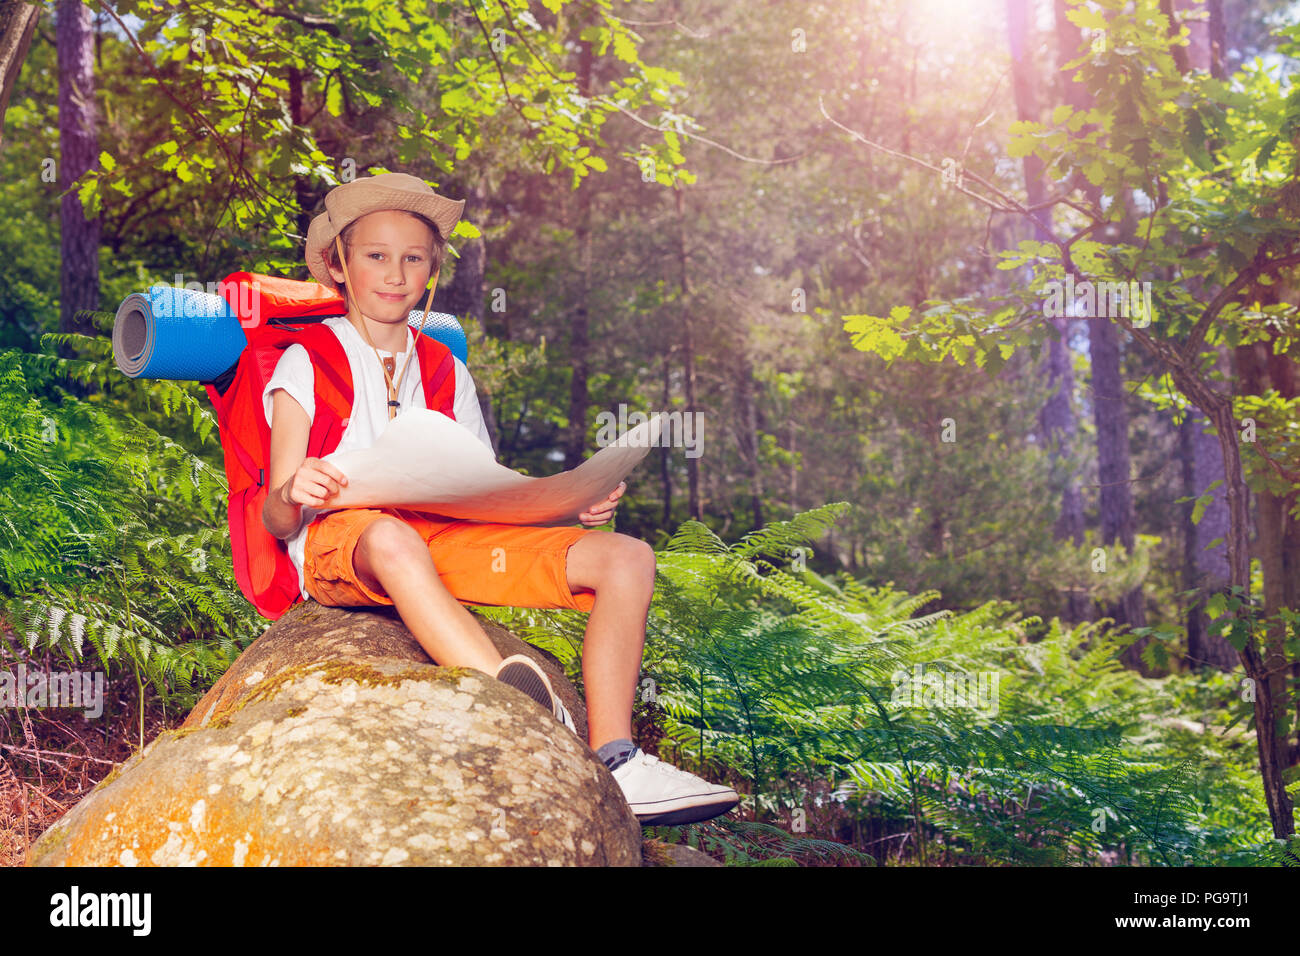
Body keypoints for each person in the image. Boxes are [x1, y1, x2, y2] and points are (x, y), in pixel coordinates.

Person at [261, 171, 738, 827]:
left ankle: (617, 757)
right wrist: (297, 488)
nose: (395, 274)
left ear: (432, 270)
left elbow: (479, 487)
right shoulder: (305, 359)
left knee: (626, 558)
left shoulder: (445, 369)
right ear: (339, 264)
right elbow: (274, 513)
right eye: (376, 255)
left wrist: (567, 502)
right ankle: (525, 710)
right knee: (393, 539)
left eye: (413, 259)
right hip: (346, 546)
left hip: (443, 536)